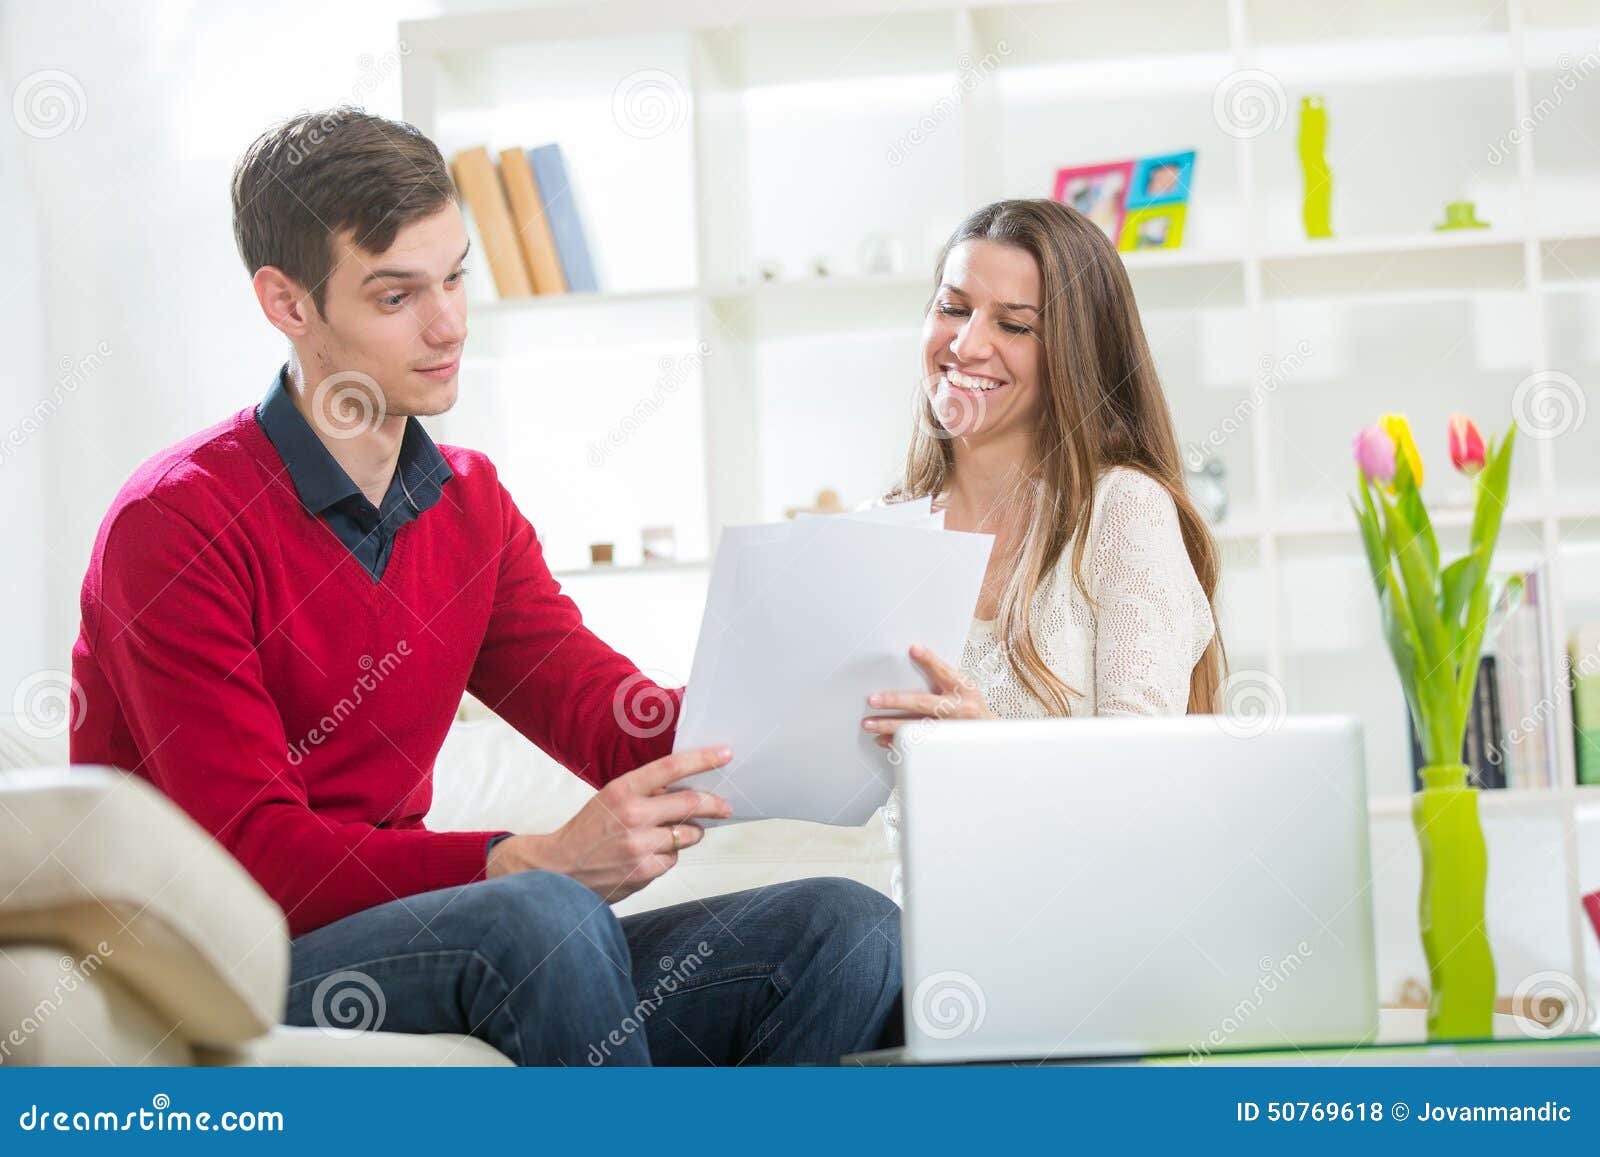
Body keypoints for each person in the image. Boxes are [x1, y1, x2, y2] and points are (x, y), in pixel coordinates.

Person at [68, 106, 902, 1066]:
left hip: (443, 942)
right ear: (288, 304)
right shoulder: (174, 523)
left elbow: (607, 719)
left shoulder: (468, 503)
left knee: (845, 927)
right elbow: (252, 854)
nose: (449, 323)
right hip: (229, 959)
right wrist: (525, 859)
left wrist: (841, 708)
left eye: (457, 275)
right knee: (541, 916)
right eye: (396, 296)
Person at [863, 198, 1223, 740]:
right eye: (953, 309)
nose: (965, 345)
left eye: (1013, 325)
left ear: (1076, 355)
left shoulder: (1123, 510)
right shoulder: (881, 529)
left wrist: (988, 749)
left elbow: (1145, 780)